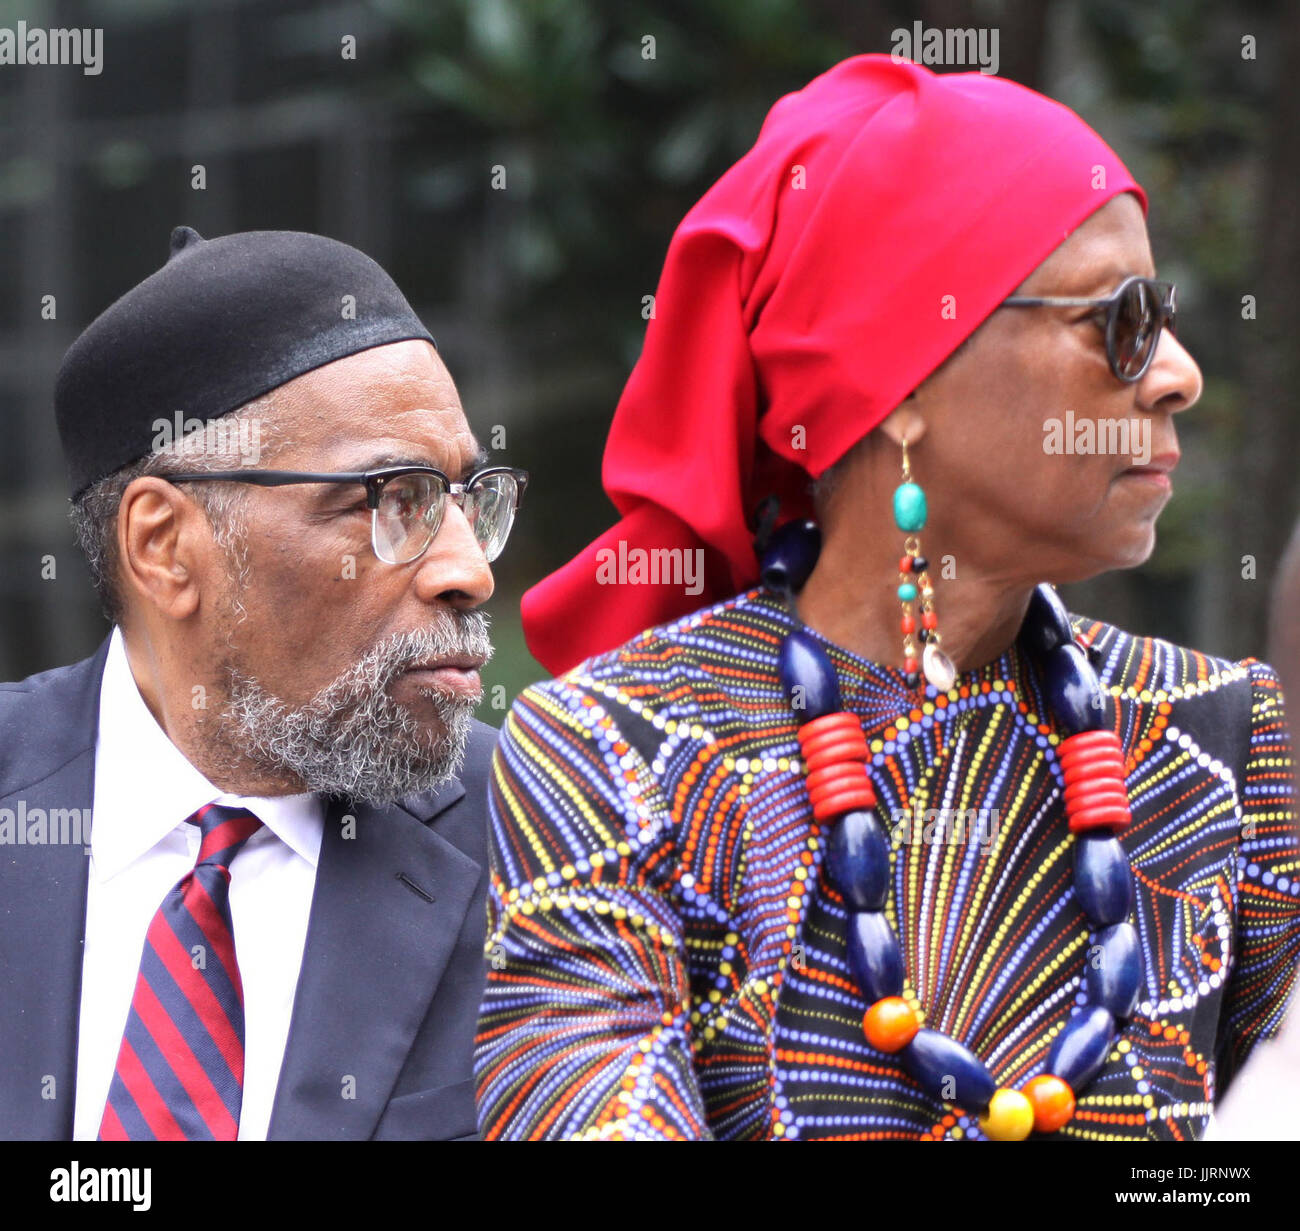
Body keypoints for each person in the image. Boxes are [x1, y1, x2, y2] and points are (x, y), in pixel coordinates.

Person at [474, 55, 1300, 1141]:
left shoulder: (1217, 732)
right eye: (1120, 319)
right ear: (900, 382)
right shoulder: (612, 751)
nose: (1176, 372)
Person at [0, 226, 527, 1141]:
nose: (467, 569)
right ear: (165, 546)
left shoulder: (548, 842)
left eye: (464, 494)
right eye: (392, 500)